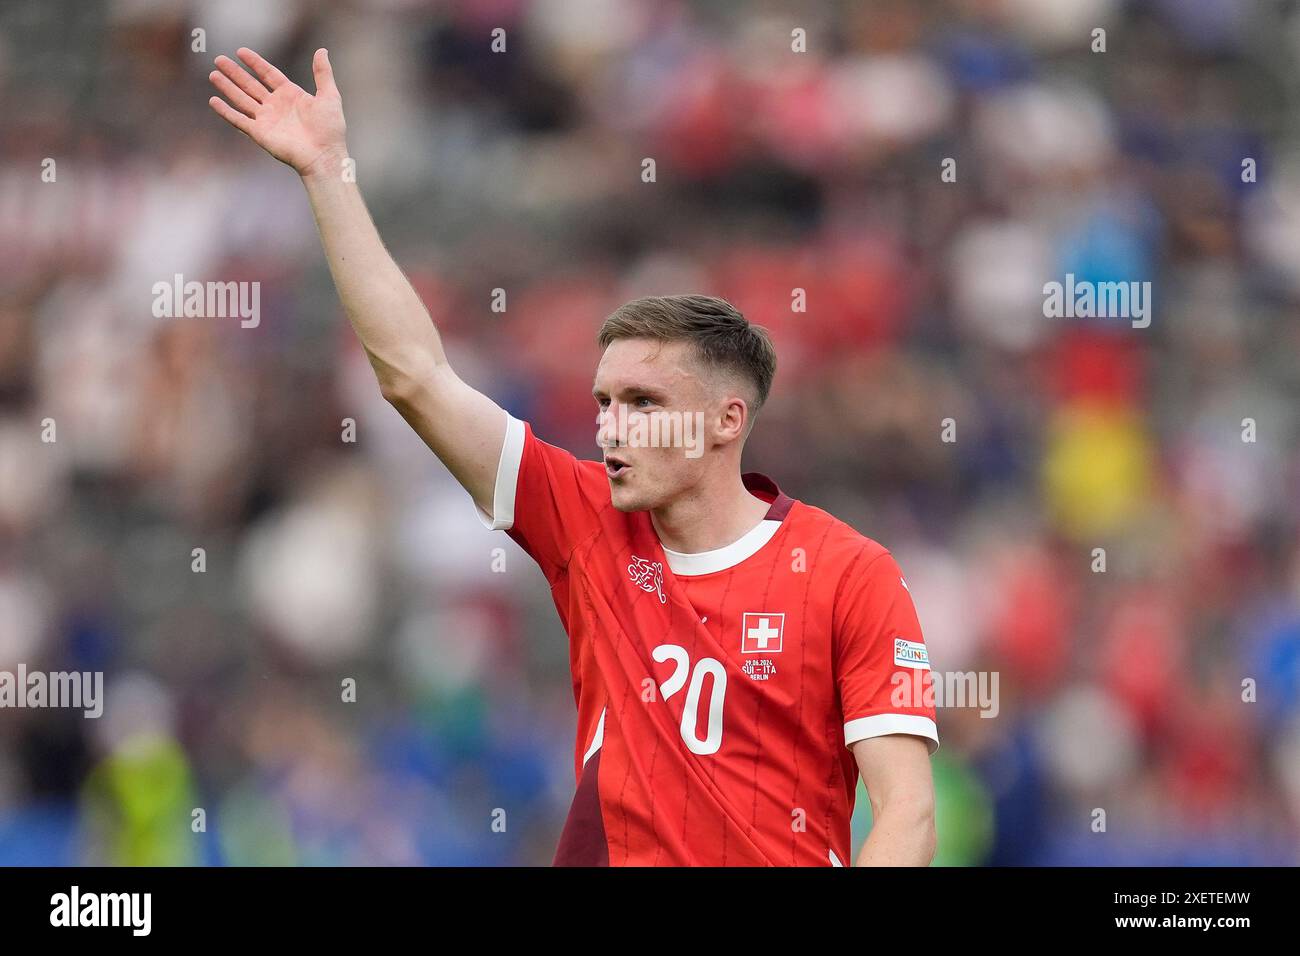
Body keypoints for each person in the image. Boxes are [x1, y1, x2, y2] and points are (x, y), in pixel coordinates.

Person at [208, 47, 939, 866]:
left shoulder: (849, 574)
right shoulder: (585, 520)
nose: (611, 429)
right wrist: (328, 173)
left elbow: (906, 813)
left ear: (726, 421)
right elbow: (415, 378)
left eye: (644, 404)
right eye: (604, 403)